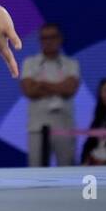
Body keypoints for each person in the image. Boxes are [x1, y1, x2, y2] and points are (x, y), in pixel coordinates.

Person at [20, 23, 81, 166]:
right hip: (37, 127)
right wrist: (60, 86)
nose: (49, 41)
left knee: (67, 171)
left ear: (60, 39)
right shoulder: (30, 63)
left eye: (53, 37)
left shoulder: (71, 63)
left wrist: (41, 84)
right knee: (36, 172)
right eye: (44, 38)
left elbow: (70, 89)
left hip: (65, 126)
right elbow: (29, 90)